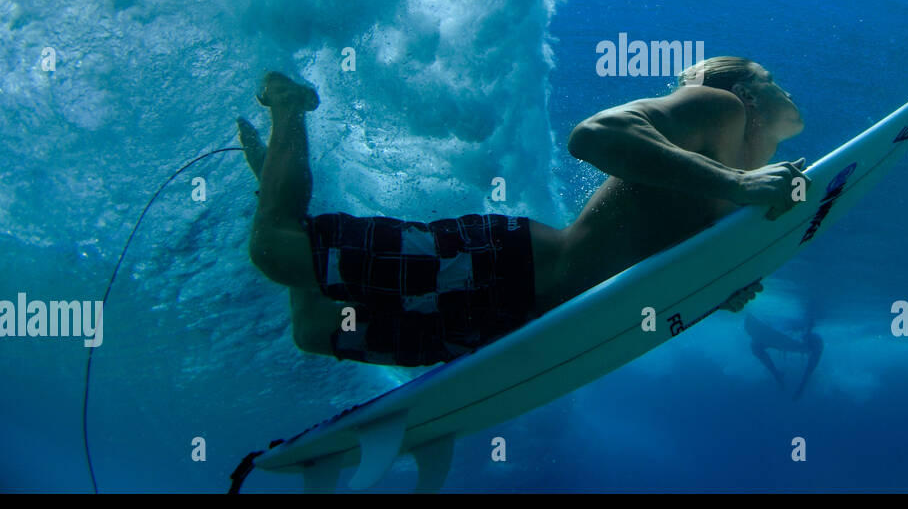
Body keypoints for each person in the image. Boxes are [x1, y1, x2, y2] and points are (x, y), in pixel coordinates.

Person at [239, 56, 807, 367]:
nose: (787, 90)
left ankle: (279, 185)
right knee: (274, 250)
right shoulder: (722, 108)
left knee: (316, 328)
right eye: (773, 77)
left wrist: (717, 290)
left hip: (516, 329)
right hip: (507, 267)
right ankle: (290, 106)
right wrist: (738, 181)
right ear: (749, 94)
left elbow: (662, 266)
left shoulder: (740, 194)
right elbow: (595, 135)